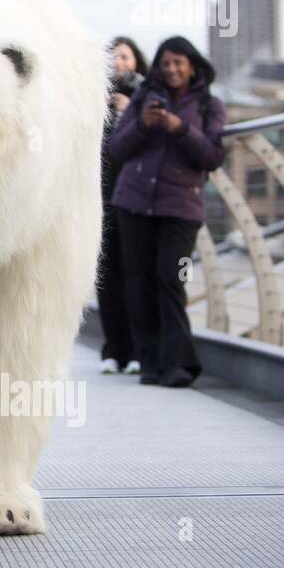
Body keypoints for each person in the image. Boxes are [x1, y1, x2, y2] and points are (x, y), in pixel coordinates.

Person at [108, 36, 226, 388]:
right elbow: (117, 148)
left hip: (181, 209)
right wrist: (143, 123)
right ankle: (150, 363)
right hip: (133, 203)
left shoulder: (210, 105)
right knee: (139, 282)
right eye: (166, 63)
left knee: (172, 279)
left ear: (192, 65)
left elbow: (212, 156)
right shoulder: (144, 98)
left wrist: (180, 128)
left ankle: (176, 363)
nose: (172, 69)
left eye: (179, 63)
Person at [96, 37, 147, 375]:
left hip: (138, 199)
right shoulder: (95, 99)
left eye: (125, 57)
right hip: (103, 202)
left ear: (137, 61)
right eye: (112, 58)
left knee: (137, 274)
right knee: (107, 276)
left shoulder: (149, 96)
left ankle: (140, 349)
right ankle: (114, 349)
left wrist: (130, 112)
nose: (119, 63)